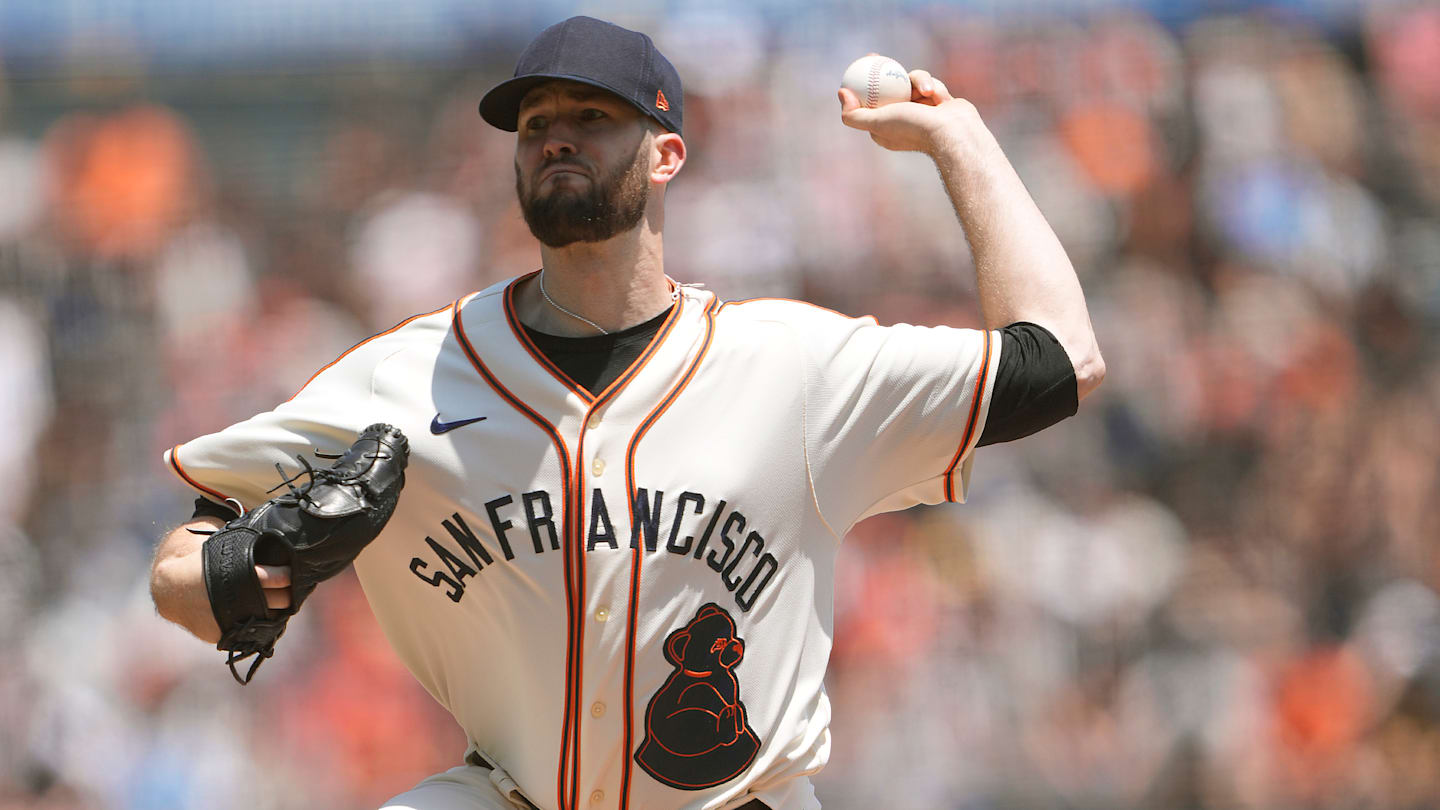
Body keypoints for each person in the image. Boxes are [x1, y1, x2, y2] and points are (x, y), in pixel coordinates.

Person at [148, 15, 1103, 810]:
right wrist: (253, 566)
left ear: (668, 154)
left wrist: (960, 139)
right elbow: (180, 570)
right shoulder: (406, 377)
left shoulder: (790, 367)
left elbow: (1059, 360)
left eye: (592, 116)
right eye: (534, 124)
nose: (555, 135)